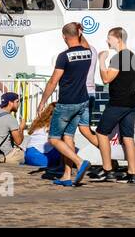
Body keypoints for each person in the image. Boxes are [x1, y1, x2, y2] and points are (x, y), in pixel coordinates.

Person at [37, 21, 94, 186]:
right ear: (79, 34)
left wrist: (42, 102)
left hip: (66, 103)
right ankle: (67, 175)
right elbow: (84, 43)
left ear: (64, 37)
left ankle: (79, 161)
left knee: (54, 139)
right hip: (82, 101)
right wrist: (80, 32)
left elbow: (53, 82)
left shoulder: (64, 56)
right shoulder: (88, 53)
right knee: (68, 136)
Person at [88, 27, 135, 184]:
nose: (107, 41)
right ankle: (132, 174)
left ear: (118, 39)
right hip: (131, 102)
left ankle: (107, 170)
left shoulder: (120, 57)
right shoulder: (132, 56)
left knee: (101, 132)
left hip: (119, 102)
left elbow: (106, 79)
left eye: (109, 38)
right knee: (128, 137)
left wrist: (102, 61)